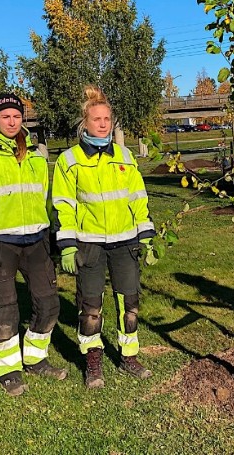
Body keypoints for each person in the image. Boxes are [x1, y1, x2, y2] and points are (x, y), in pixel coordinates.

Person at [0, 93, 68, 397]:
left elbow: (43, 197)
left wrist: (52, 233)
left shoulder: (35, 153)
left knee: (49, 305)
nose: (11, 121)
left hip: (36, 242)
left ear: (23, 118)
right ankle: (8, 369)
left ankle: (34, 358)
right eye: (5, 116)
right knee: (5, 312)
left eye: (16, 116)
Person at [51, 85, 156, 389]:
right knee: (90, 307)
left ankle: (129, 356)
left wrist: (146, 236)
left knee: (130, 302)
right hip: (89, 243)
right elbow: (63, 205)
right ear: (84, 123)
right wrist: (68, 245)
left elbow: (138, 198)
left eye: (107, 119)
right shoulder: (69, 160)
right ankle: (93, 359)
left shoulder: (124, 155)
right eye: (96, 119)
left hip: (125, 242)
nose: (102, 124)